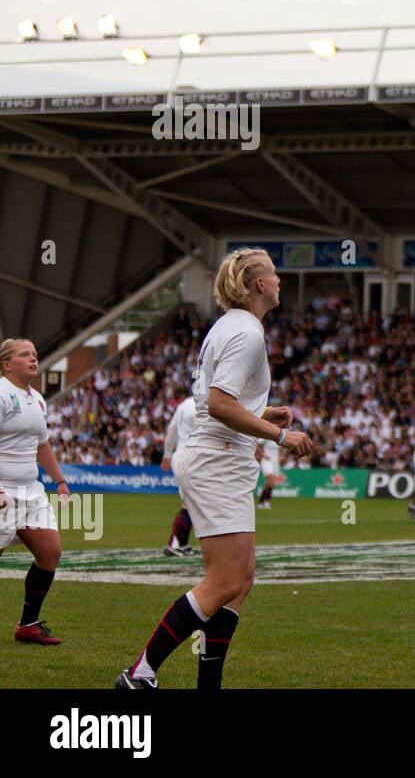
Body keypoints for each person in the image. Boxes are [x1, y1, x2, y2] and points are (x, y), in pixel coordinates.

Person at [116, 248, 313, 689]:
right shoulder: (247, 332)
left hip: (221, 456)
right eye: (275, 274)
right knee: (225, 580)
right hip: (217, 459)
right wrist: (280, 435)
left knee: (240, 580)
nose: (280, 280)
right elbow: (220, 404)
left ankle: (208, 683)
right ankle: (140, 673)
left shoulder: (231, 326)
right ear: (258, 284)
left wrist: (265, 415)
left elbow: (220, 400)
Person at [0, 338, 70, 645]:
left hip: (31, 491)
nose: (33, 358)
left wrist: (60, 481)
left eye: (35, 354)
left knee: (50, 553)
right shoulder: (1, 394)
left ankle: (27, 625)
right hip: (3, 490)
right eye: (24, 354)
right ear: (6, 364)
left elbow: (42, 445)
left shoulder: (38, 400)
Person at [160, 394, 198, 557]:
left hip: (181, 454)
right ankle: (174, 544)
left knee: (191, 502)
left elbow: (171, 430)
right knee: (190, 504)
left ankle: (182, 543)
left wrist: (167, 454)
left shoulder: (183, 404)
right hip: (192, 456)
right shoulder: (203, 404)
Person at [255, 439, 284, 509]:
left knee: (268, 484)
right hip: (267, 461)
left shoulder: (279, 435)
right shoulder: (267, 435)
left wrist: (281, 456)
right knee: (272, 482)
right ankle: (267, 502)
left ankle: (260, 503)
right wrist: (262, 455)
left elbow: (283, 446)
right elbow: (256, 444)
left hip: (275, 462)